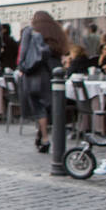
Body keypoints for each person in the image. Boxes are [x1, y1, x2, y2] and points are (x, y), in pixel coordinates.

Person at [18, 10, 69, 154]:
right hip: (53, 74)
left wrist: (22, 66)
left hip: (36, 74)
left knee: (39, 107)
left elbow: (24, 55)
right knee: (48, 106)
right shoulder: (57, 33)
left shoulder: (32, 32)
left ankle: (45, 138)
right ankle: (42, 135)